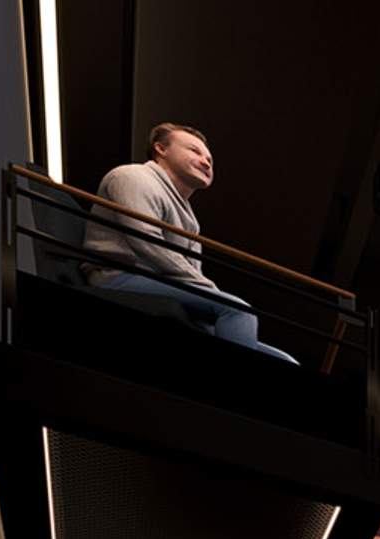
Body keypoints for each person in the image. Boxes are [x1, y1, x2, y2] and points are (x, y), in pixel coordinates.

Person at [76, 122, 299, 361]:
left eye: (210, 159)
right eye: (194, 150)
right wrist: (212, 292)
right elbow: (147, 242)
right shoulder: (133, 176)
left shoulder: (190, 220)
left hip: (164, 286)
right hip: (118, 276)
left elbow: (191, 272)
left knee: (286, 360)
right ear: (161, 149)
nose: (205, 161)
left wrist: (208, 292)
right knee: (238, 310)